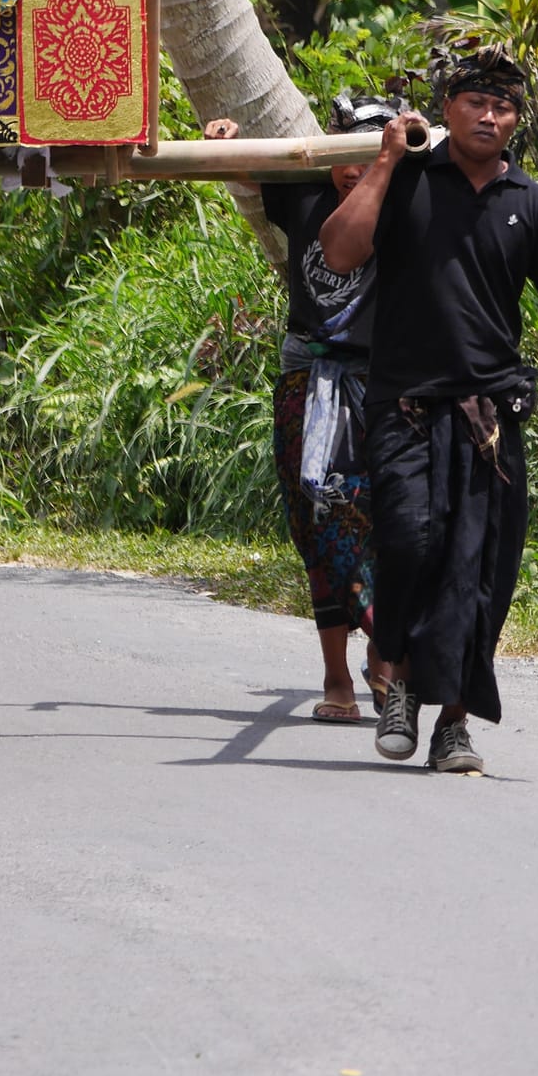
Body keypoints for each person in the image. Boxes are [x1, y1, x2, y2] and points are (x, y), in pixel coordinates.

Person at [318, 50, 538, 774]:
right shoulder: (407, 179)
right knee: (409, 540)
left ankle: (454, 726)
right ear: (448, 107)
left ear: (515, 119)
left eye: (504, 107)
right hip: (403, 405)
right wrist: (382, 160)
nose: (490, 116)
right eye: (476, 102)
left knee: (479, 572)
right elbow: (340, 252)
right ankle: (399, 676)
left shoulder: (528, 202)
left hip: (489, 413)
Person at [205, 101, 395, 724]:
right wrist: (229, 141)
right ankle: (340, 674)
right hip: (307, 378)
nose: (352, 170)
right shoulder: (304, 193)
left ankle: (386, 653)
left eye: (368, 157)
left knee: (385, 523)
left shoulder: (411, 204)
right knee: (318, 521)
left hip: (385, 382)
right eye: (344, 155)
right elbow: (244, 172)